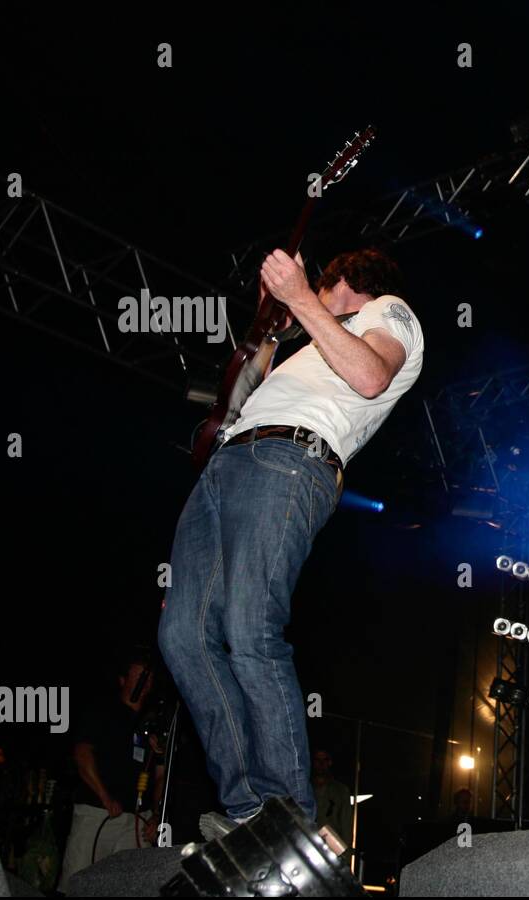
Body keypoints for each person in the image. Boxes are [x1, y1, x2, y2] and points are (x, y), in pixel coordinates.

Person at [158, 248, 423, 839]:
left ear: (339, 282)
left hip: (290, 459)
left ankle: (287, 818)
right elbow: (239, 394)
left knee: (251, 628)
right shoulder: (308, 346)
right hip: (229, 462)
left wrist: (301, 296)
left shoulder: (389, 311)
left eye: (318, 287)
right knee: (182, 636)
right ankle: (247, 806)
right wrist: (271, 331)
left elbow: (371, 376)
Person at [57, 655, 162, 893]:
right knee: (79, 884)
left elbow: (161, 776)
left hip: (136, 821)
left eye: (149, 680)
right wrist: (105, 797)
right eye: (139, 678)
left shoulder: (153, 724)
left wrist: (155, 815)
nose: (144, 684)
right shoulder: (102, 710)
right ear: (123, 679)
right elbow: (82, 754)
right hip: (97, 813)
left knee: (132, 887)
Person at [311, 748, 353, 842]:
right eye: (318, 760)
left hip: (332, 847)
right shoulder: (303, 789)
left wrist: (345, 854)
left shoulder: (341, 791)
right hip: (308, 844)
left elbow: (346, 825)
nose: (321, 764)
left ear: (329, 762)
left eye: (325, 760)